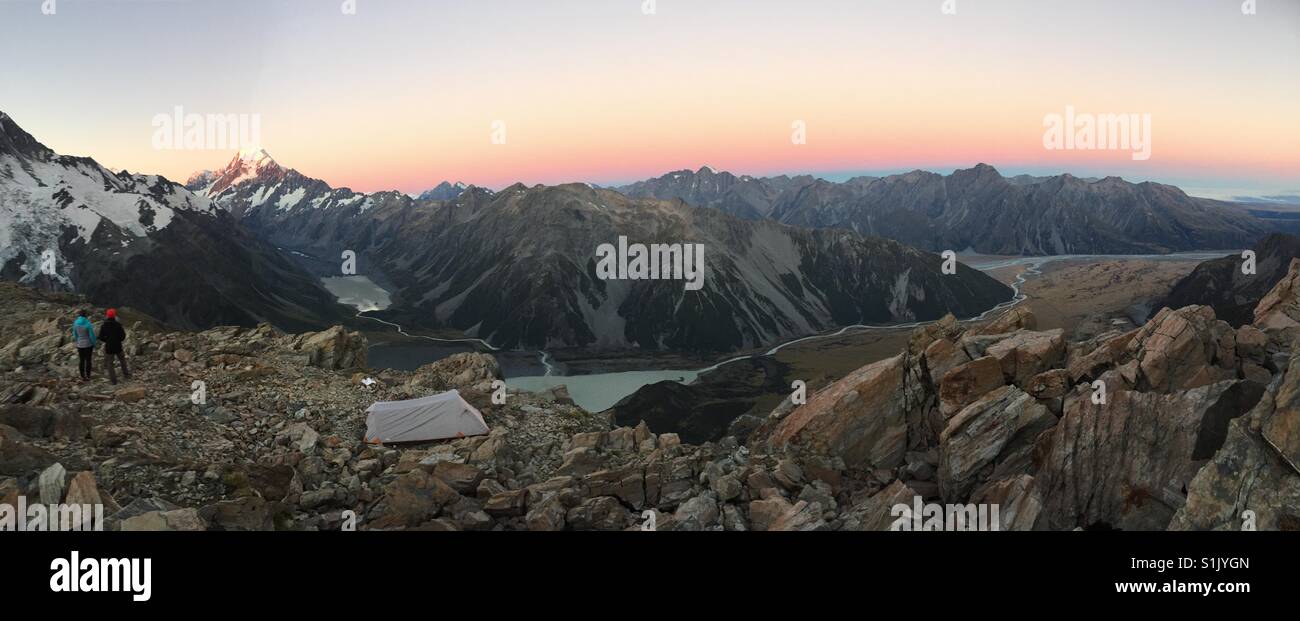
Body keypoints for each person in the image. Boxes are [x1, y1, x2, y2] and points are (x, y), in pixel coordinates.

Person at [98, 308, 130, 385]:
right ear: (114, 316)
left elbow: (101, 337)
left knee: (110, 363)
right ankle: (126, 374)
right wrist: (118, 340)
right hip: (118, 346)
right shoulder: (118, 325)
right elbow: (123, 336)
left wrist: (106, 340)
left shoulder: (104, 326)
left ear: (107, 316)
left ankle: (113, 380)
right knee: (122, 360)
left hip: (109, 347)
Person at [70, 310, 96, 381]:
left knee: (81, 360)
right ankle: (88, 376)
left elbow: (75, 334)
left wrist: (77, 341)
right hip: (88, 344)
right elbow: (91, 335)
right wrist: (94, 343)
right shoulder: (88, 323)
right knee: (88, 360)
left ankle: (82, 376)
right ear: (85, 315)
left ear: (79, 315)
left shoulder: (75, 323)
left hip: (80, 344)